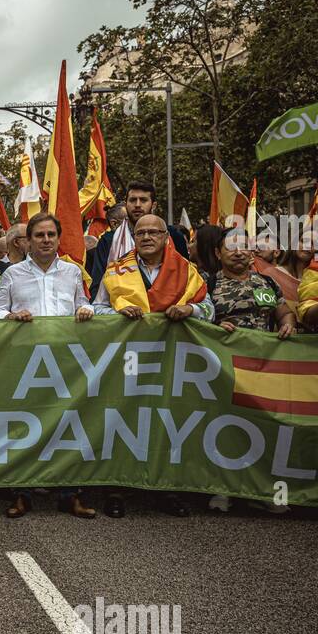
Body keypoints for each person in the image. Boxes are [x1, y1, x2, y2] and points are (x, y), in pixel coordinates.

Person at [94, 213, 211, 519]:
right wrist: (118, 314)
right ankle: (117, 489)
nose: (146, 237)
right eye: (140, 232)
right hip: (129, 360)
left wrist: (190, 308)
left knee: (165, 422)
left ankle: (166, 490)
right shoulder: (117, 271)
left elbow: (209, 310)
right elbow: (97, 309)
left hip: (171, 362)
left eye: (153, 232)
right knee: (124, 419)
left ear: (165, 237)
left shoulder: (187, 271)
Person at [0, 212, 97, 520]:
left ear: (59, 238)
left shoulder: (73, 272)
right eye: (40, 235)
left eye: (51, 234)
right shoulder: (12, 274)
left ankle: (70, 494)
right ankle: (21, 493)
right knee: (24, 426)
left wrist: (85, 310)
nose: (46, 240)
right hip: (25, 360)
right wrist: (10, 317)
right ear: (28, 241)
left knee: (68, 425)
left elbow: (83, 303)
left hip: (65, 359)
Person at [205, 229, 296, 515]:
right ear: (219, 253)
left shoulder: (266, 281)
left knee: (263, 426)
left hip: (264, 368)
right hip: (225, 369)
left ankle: (262, 490)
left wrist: (288, 324)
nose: (239, 251)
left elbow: (284, 312)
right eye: (231, 246)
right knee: (226, 427)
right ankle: (223, 488)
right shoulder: (207, 283)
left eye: (244, 245)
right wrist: (214, 328)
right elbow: (198, 320)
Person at [87, 182, 189, 294]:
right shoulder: (109, 240)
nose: (137, 205)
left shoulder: (174, 237)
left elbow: (186, 279)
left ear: (153, 205)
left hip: (168, 308)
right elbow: (98, 286)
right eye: (133, 200)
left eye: (143, 200)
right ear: (126, 205)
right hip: (121, 308)